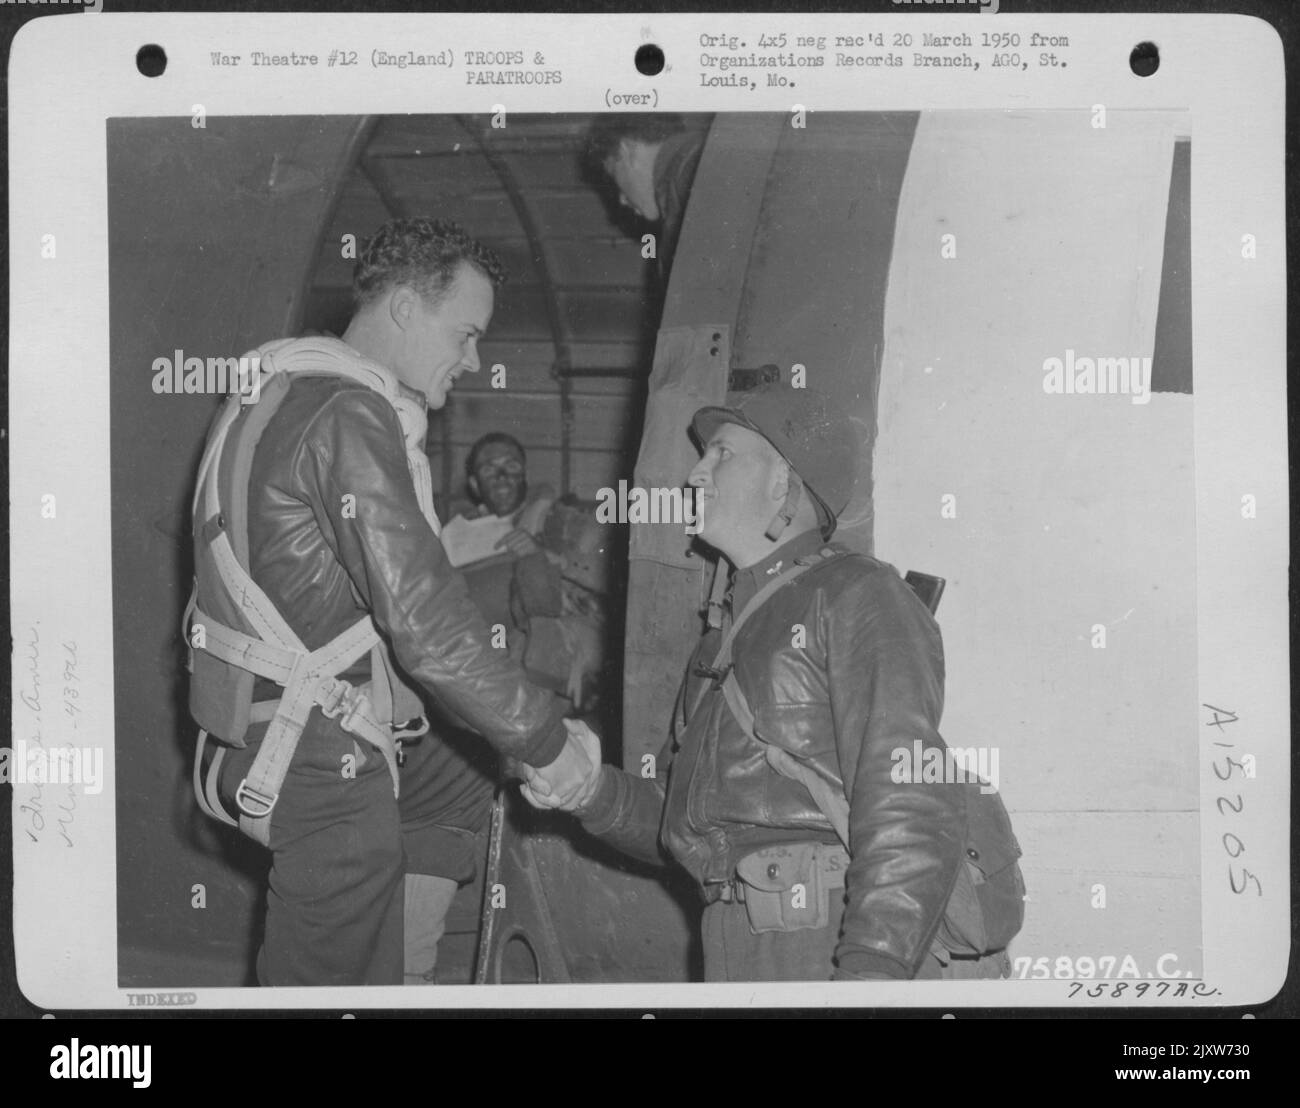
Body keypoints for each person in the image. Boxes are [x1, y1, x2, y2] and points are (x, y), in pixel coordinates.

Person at [188, 217, 596, 986]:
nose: (473, 361)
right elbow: (428, 628)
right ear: (406, 308)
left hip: (259, 719)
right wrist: (547, 741)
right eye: (466, 334)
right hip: (315, 757)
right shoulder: (347, 413)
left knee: (465, 767)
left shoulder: (280, 390)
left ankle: (406, 975)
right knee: (328, 985)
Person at [523, 381, 1015, 982]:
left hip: (831, 935)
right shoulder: (719, 642)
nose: (694, 475)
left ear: (783, 482)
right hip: (736, 943)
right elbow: (678, 824)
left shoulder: (858, 593)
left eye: (721, 454)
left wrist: (870, 975)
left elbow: (909, 794)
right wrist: (588, 789)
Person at [584, 113, 705, 283]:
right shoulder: (700, 158)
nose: (622, 199)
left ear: (626, 150)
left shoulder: (687, 178)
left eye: (614, 174)